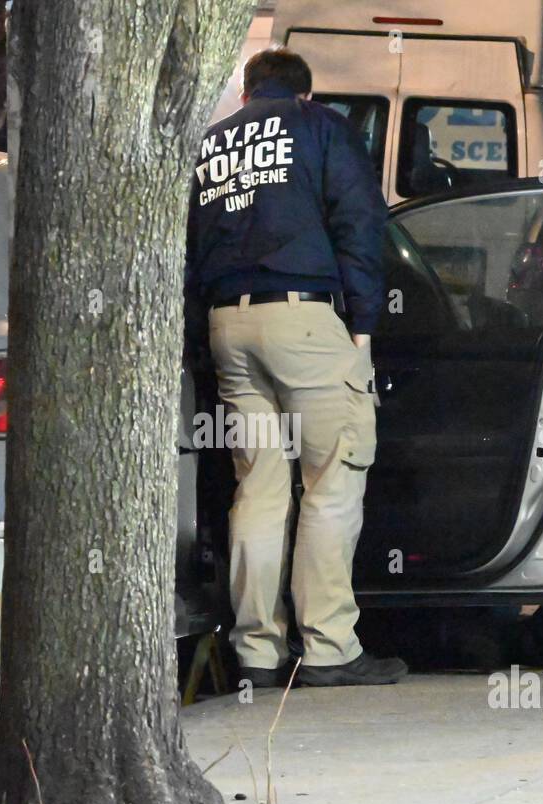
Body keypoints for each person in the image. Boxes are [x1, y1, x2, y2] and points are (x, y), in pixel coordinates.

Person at [184, 48, 407, 688]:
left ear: (247, 93)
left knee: (258, 488)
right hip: (304, 321)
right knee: (333, 476)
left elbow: (191, 248)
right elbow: (359, 225)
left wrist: (202, 338)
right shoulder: (320, 128)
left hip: (229, 327)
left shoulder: (211, 144)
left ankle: (256, 651)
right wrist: (363, 324)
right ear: (305, 93)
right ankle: (329, 647)